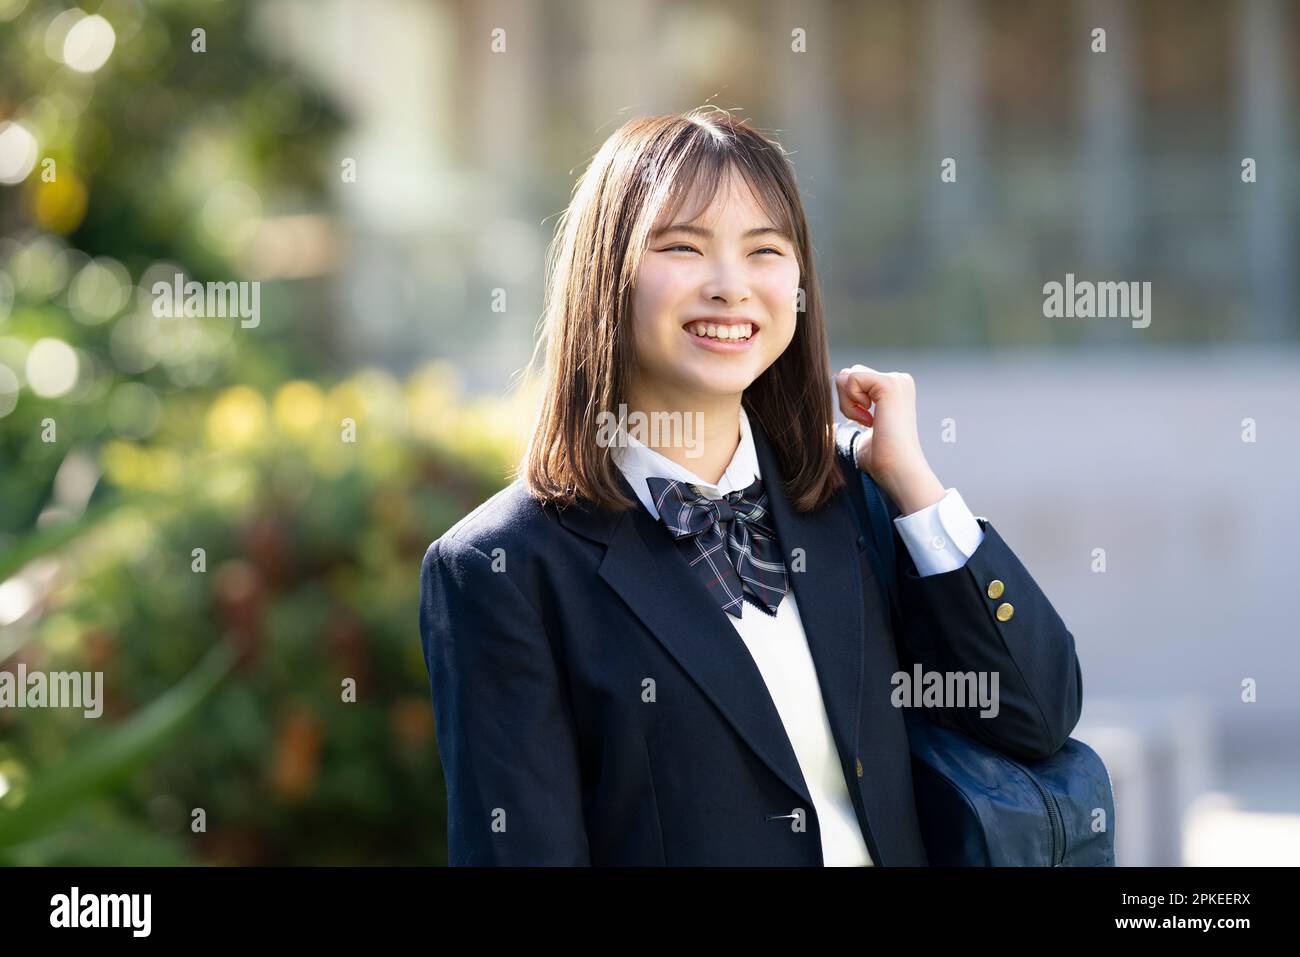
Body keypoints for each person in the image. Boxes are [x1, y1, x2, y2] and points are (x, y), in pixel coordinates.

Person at [419, 106, 1082, 866]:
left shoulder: (852, 500)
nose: (731, 286)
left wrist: (917, 489)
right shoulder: (504, 570)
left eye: (764, 249)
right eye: (683, 246)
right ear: (608, 275)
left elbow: (1037, 713)